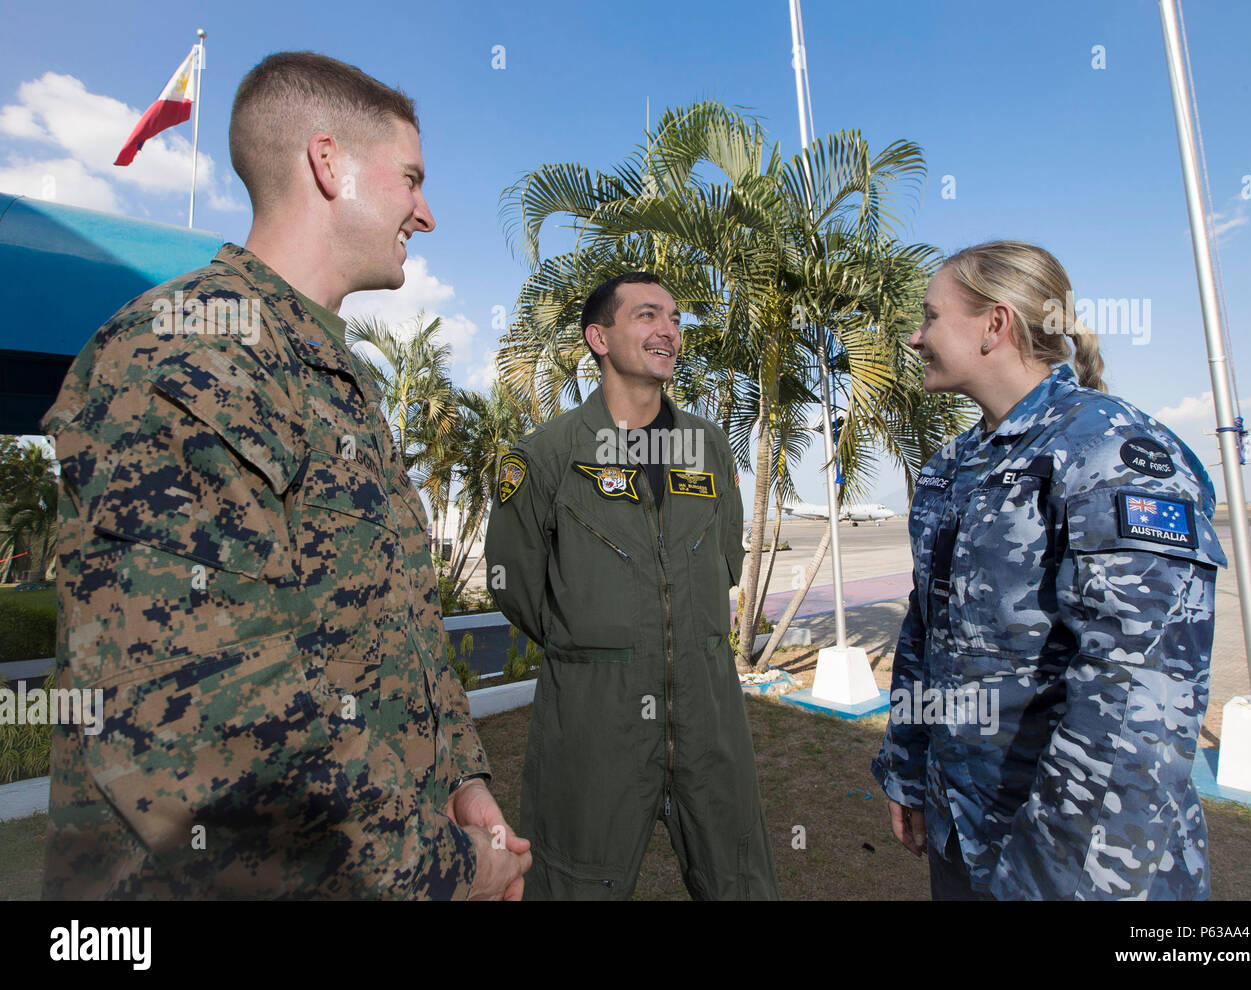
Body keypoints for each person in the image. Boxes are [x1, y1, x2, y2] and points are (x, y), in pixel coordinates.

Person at [40, 51, 530, 899]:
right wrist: (447, 872)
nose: (427, 213)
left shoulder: (333, 376)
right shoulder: (185, 352)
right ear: (328, 162)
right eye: (412, 178)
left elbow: (403, 624)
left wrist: (462, 781)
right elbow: (207, 713)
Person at [870, 241, 1226, 900]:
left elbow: (1136, 696)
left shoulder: (1110, 453)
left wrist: (1049, 874)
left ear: (994, 325)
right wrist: (910, 770)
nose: (916, 337)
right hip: (964, 835)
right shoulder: (952, 468)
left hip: (1080, 863)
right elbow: (928, 634)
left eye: (930, 318)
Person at [484, 272, 779, 899]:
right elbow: (513, 582)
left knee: (739, 879)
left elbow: (723, 561)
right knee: (574, 882)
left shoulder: (708, 447)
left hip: (710, 713)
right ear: (599, 337)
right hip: (595, 719)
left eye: (674, 318)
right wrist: (596, 642)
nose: (668, 330)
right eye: (647, 316)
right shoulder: (546, 455)